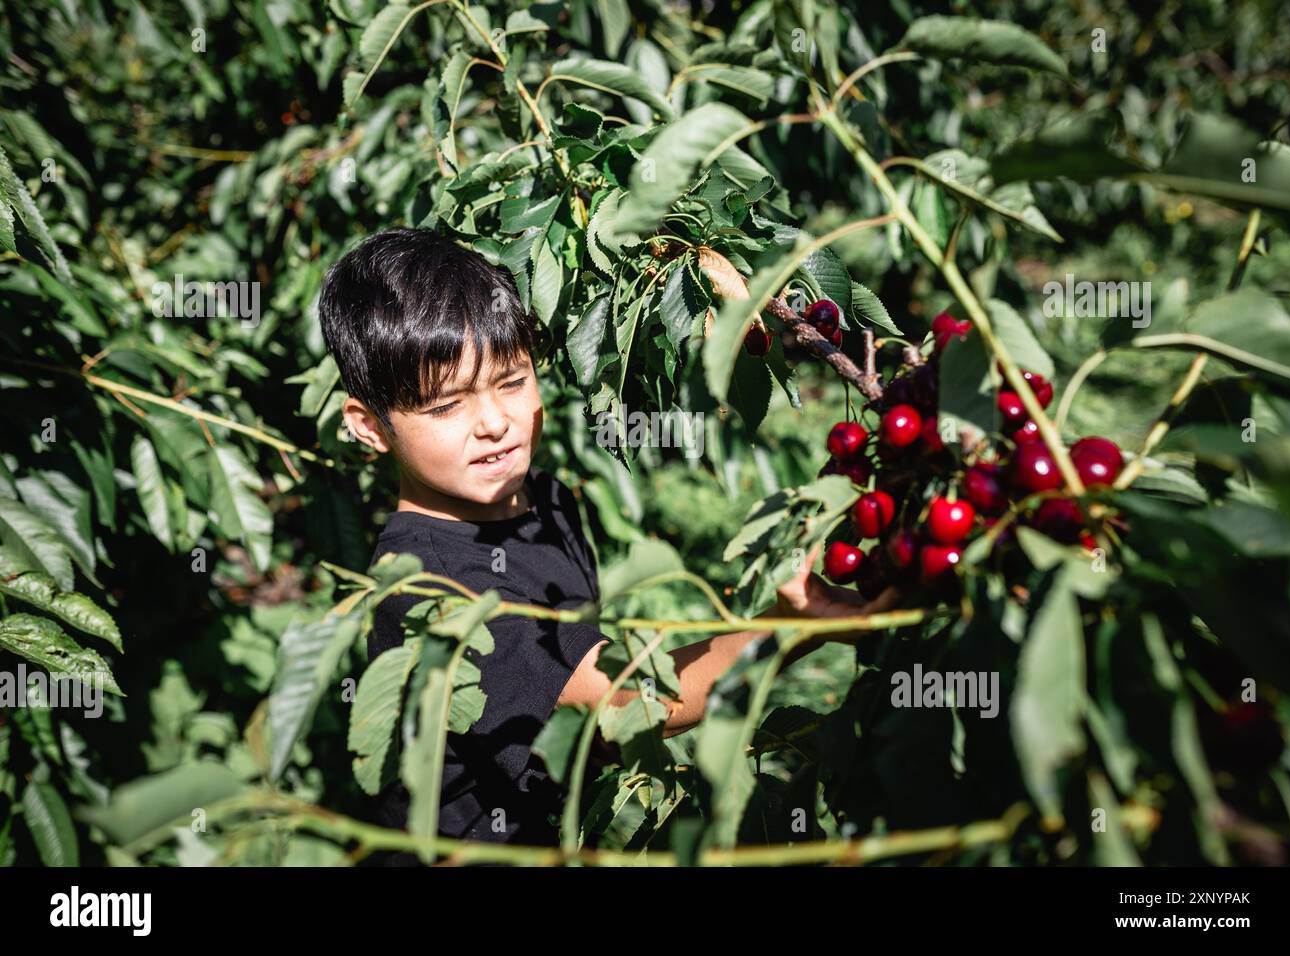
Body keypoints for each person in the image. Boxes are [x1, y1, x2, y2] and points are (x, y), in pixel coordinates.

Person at [316, 226, 896, 863]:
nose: (492, 423)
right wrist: (787, 625)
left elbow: (577, 701)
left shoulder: (547, 501)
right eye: (446, 405)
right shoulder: (433, 588)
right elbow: (631, 703)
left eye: (511, 382)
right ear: (368, 427)